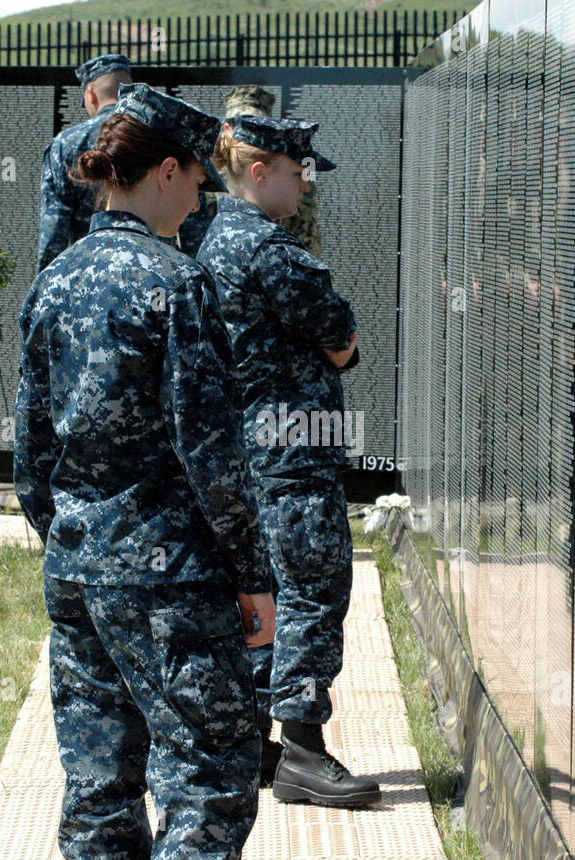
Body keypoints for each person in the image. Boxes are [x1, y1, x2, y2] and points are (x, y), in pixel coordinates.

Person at [14, 82, 276, 860]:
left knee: (99, 792)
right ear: (164, 171)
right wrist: (252, 571)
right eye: (196, 180)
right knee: (209, 781)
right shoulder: (178, 283)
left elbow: (30, 460)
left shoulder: (51, 284)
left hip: (78, 575)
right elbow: (212, 451)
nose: (200, 201)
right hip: (173, 584)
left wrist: (72, 537)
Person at [197, 115, 378, 807]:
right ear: (257, 168)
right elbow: (344, 343)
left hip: (247, 449)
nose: (306, 181)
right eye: (296, 168)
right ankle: (302, 747)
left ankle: (256, 744)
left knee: (263, 591)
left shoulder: (212, 242)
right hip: (293, 453)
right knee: (313, 586)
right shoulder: (274, 252)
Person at [176, 85, 322, 258]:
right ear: (226, 127)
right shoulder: (204, 177)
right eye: (239, 123)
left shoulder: (294, 181)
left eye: (253, 124)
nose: (247, 133)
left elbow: (306, 240)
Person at [36, 54, 132, 272]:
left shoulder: (67, 143)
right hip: (153, 278)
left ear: (90, 94)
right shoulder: (157, 136)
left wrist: (45, 286)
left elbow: (55, 229)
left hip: (89, 274)